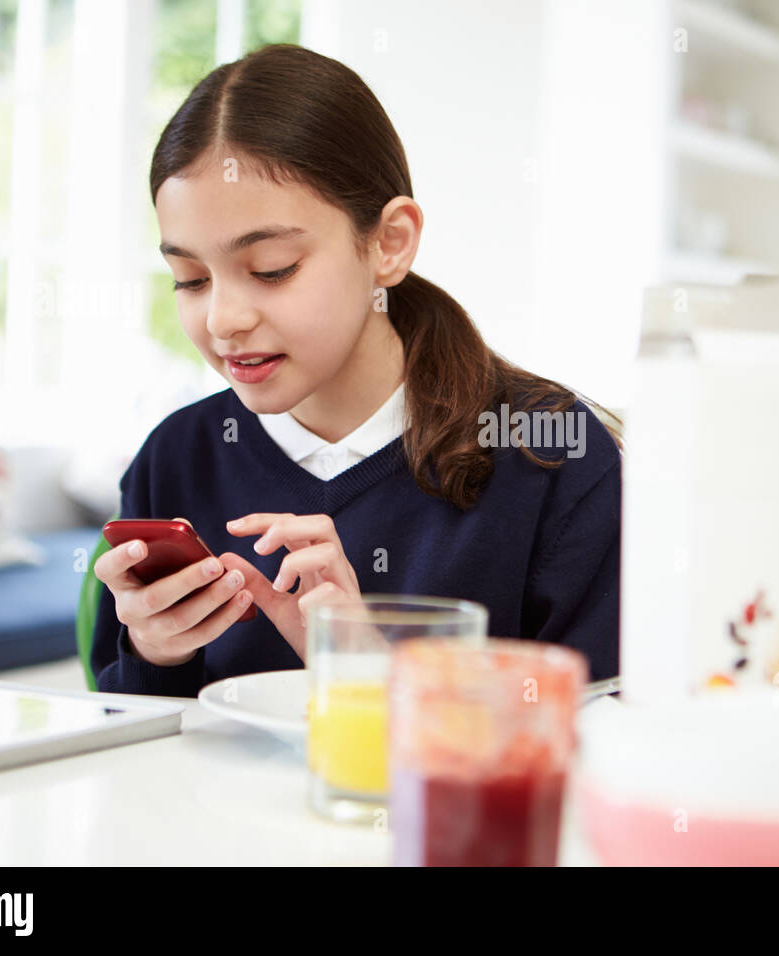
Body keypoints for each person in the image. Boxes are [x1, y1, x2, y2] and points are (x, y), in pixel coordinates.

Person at [90, 44, 621, 696]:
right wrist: (153, 651)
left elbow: (602, 742)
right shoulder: (176, 456)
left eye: (271, 269)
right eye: (190, 278)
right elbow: (129, 750)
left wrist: (375, 680)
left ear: (389, 243)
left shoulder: (552, 455)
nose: (224, 319)